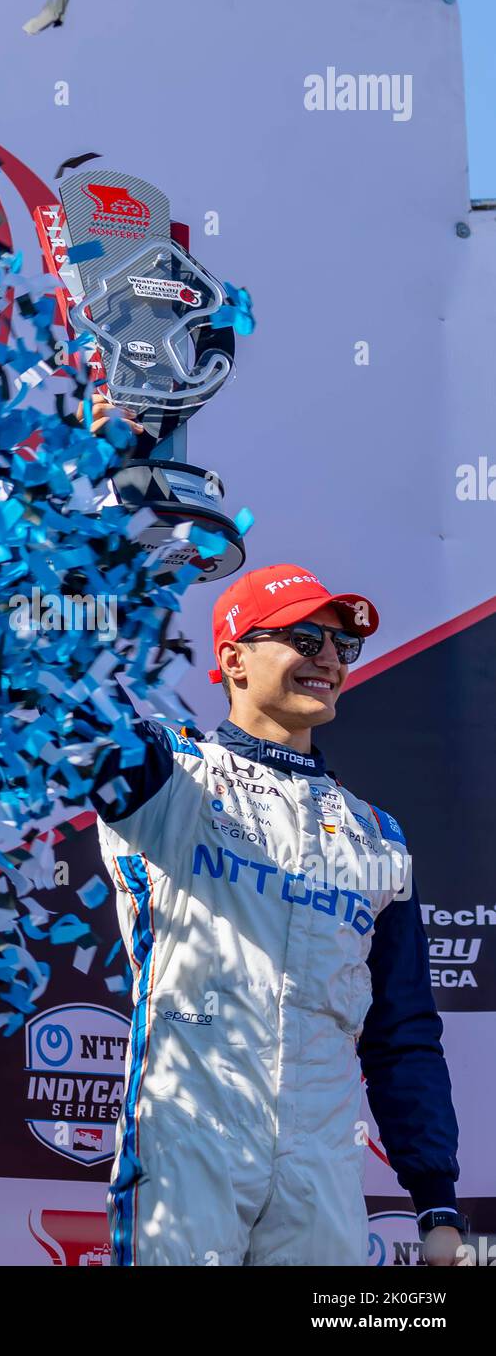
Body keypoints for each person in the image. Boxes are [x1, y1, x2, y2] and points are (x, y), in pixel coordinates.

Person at [76, 394, 463, 1265]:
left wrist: (434, 1202)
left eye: (340, 643)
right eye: (300, 636)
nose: (327, 655)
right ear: (232, 659)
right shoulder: (167, 777)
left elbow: (402, 1034)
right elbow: (63, 698)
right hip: (188, 1146)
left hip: (323, 1172)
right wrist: (101, 536)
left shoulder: (379, 839)